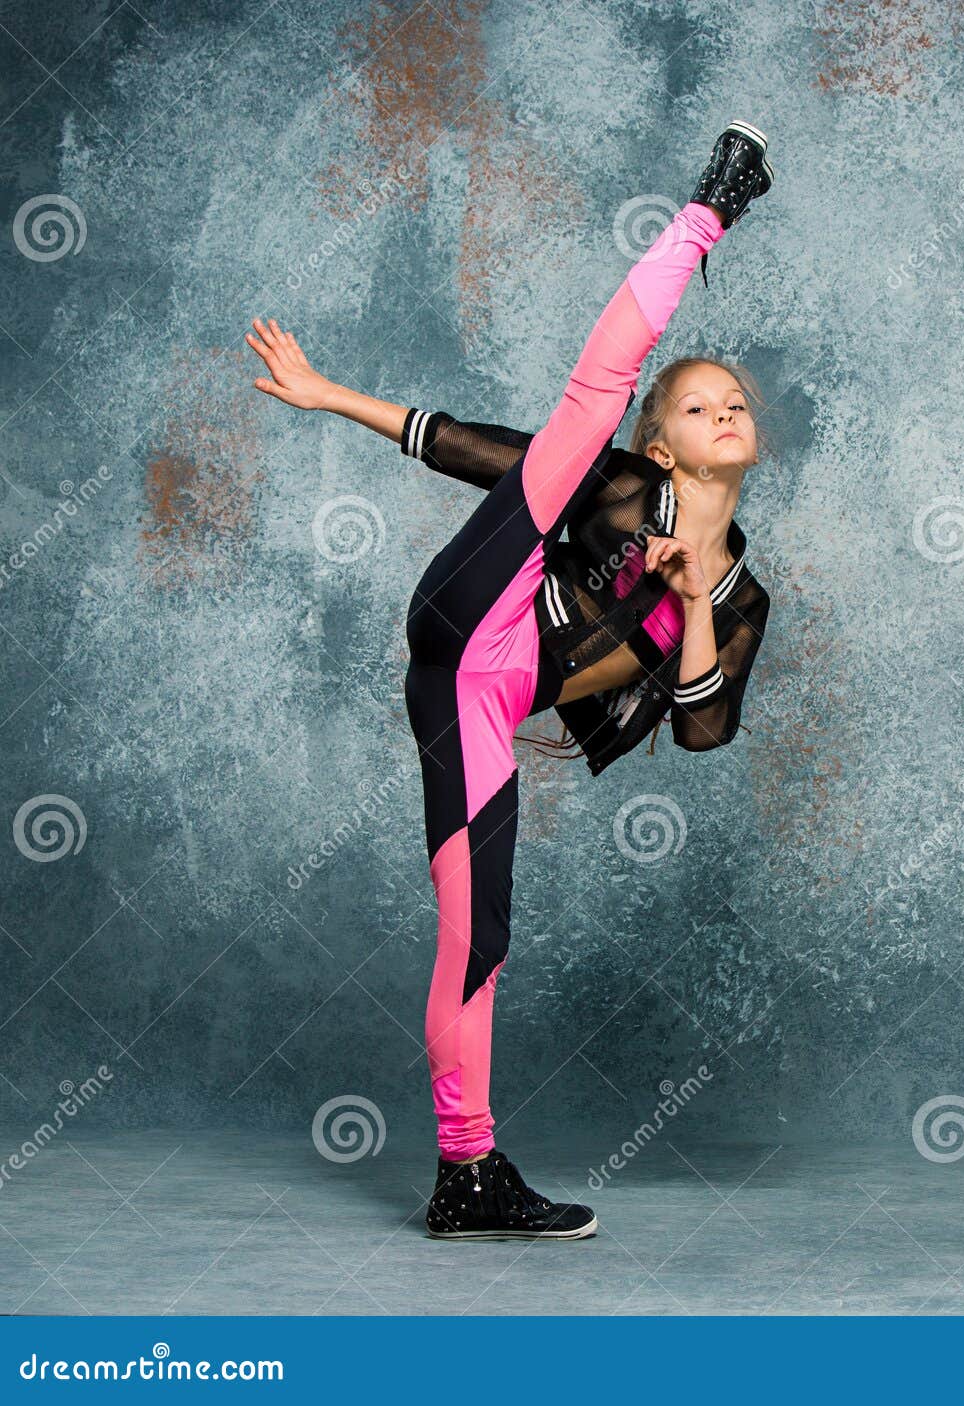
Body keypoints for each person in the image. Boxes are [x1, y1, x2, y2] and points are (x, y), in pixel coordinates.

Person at [246, 122, 775, 1241]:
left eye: (736, 400)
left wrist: (685, 597)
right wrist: (330, 395)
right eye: (698, 403)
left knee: (479, 937)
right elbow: (475, 450)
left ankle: (466, 1175)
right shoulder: (624, 481)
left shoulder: (742, 601)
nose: (725, 410)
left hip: (470, 698)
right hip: (477, 596)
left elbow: (702, 730)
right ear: (666, 445)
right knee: (583, 412)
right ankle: (708, 210)